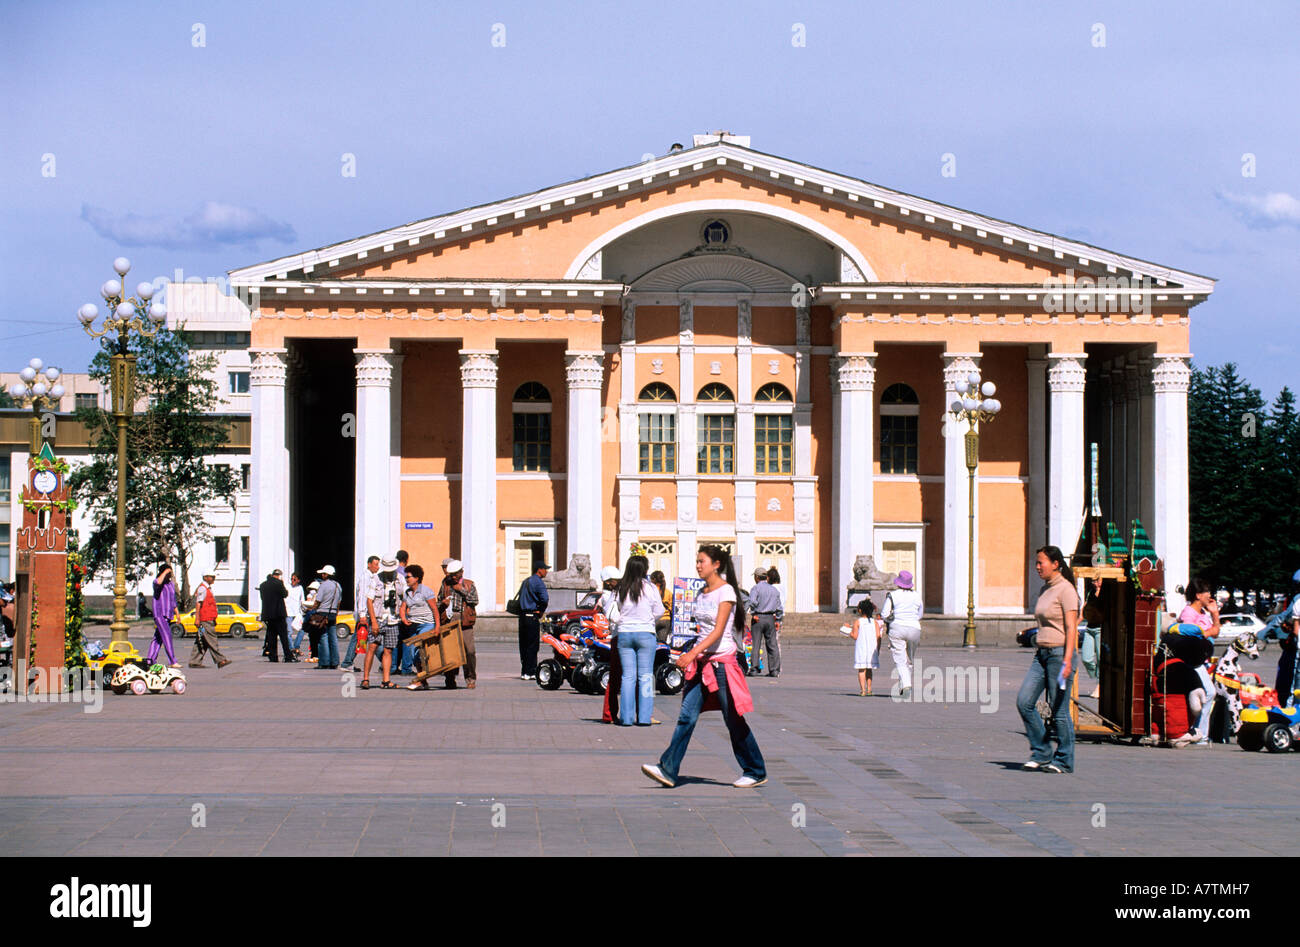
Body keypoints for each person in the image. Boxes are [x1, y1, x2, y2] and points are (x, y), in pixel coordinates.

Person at [642, 545, 766, 789]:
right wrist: (692, 653)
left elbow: (719, 631)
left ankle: (755, 769)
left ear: (716, 564)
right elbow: (703, 631)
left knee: (733, 719)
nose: (698, 565)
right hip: (701, 664)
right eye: (697, 561)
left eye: (702, 561)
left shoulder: (727, 592)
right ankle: (668, 769)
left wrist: (691, 654)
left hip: (721, 664)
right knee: (686, 717)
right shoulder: (701, 592)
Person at [1015, 546, 1079, 773]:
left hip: (1060, 655)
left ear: (1056, 564)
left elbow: (1072, 628)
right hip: (1041, 655)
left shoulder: (1066, 590)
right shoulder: (1045, 589)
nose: (1037, 567)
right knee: (1024, 701)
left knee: (1058, 710)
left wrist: (1068, 660)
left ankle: (1063, 760)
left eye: (1041, 562)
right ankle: (1042, 752)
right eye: (1036, 562)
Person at [612, 555, 665, 725]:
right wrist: (648, 620)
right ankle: (644, 717)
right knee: (646, 676)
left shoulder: (621, 587)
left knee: (628, 677)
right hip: (645, 633)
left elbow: (618, 608)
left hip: (625, 633)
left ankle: (626, 718)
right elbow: (659, 610)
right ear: (645, 569)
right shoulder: (650, 588)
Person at [1175, 578, 1221, 745]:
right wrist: (1209, 632)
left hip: (1202, 659)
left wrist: (1215, 614)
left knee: (1204, 694)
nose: (1209, 595)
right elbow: (1189, 634)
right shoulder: (1188, 613)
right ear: (1198, 595)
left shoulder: (1203, 614)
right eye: (1206, 591)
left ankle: (1199, 731)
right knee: (1209, 693)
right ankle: (1199, 733)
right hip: (1191, 660)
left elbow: (1216, 632)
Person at [437, 559, 479, 689]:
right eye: (451, 574)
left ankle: (470, 678)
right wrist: (443, 603)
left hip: (465, 619)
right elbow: (438, 601)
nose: (453, 577)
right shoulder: (445, 584)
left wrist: (461, 590)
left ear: (461, 572)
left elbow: (475, 600)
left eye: (455, 574)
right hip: (450, 618)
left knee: (469, 650)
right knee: (450, 651)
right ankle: (450, 678)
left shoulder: (469, 584)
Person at [880, 571, 922, 699]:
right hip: (914, 628)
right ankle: (903, 685)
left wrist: (890, 620)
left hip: (897, 627)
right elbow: (920, 614)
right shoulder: (917, 596)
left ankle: (906, 685)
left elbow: (884, 614)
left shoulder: (893, 595)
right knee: (909, 659)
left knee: (900, 658)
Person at [362, 558, 400, 689]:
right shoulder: (376, 579)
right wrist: (373, 621)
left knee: (388, 650)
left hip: (393, 619)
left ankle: (386, 680)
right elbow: (369, 601)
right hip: (378, 618)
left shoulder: (399, 579)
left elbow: (404, 596)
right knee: (372, 647)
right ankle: (366, 679)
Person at [401, 564, 441, 690]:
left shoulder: (426, 591)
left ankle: (420, 680)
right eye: (406, 577)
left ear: (416, 578)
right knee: (413, 653)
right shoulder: (407, 593)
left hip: (426, 625)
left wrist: (437, 627)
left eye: (409, 577)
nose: (407, 579)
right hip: (413, 625)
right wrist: (404, 619)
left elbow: (435, 609)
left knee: (419, 651)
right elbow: (402, 608)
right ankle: (423, 681)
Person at [188, 571, 231, 669]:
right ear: (206, 577)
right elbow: (198, 603)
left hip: (208, 619)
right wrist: (197, 619)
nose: (214, 578)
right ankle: (220, 660)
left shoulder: (207, 588)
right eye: (212, 577)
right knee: (211, 639)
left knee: (202, 639)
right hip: (205, 620)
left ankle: (194, 661)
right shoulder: (203, 588)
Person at [748, 568, 783, 678]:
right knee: (772, 644)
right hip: (770, 618)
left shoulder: (755, 588)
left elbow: (752, 602)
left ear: (757, 577)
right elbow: (779, 607)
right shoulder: (774, 590)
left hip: (758, 617)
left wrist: (753, 613)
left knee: (756, 644)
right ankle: (774, 670)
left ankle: (754, 668)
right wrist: (778, 619)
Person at [517, 560, 549, 680]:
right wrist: (541, 610)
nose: (546, 571)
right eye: (545, 569)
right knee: (532, 645)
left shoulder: (526, 581)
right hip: (532, 616)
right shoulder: (538, 582)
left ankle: (524, 671)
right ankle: (531, 671)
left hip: (522, 617)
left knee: (523, 645)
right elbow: (545, 599)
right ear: (539, 570)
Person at [147, 563, 179, 667]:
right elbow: (158, 581)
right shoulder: (157, 582)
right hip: (159, 613)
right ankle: (172, 661)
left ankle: (150, 659)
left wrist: (177, 614)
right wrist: (165, 571)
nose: (170, 575)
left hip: (168, 614)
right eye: (169, 573)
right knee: (167, 636)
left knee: (158, 638)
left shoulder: (171, 584)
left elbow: (173, 601)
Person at [259, 570, 294, 663]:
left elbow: (263, 598)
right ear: (278, 576)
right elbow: (285, 594)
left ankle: (273, 656)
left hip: (268, 615)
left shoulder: (263, 585)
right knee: (283, 636)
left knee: (271, 636)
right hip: (279, 614)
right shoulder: (278, 583)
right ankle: (288, 656)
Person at [312, 565, 342, 669]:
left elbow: (318, 601)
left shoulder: (323, 585)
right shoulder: (338, 586)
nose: (322, 575)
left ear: (326, 575)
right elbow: (338, 602)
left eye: (323, 573)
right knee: (333, 638)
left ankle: (324, 662)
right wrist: (335, 613)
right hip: (333, 613)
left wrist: (312, 610)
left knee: (323, 637)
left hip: (322, 613)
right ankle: (334, 662)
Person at [850, 598, 882, 696]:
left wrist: (848, 631)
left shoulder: (858, 622)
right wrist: (878, 649)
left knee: (861, 669)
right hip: (872, 649)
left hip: (861, 648)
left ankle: (862, 690)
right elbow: (878, 636)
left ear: (860, 610)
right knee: (869, 669)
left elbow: (855, 636)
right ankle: (869, 689)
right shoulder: (875, 622)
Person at [286, 573, 306, 657]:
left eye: (294, 579)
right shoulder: (287, 586)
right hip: (288, 612)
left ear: (298, 580)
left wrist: (304, 610)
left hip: (297, 613)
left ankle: (296, 646)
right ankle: (291, 648)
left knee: (302, 630)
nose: (292, 581)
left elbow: (302, 600)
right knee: (289, 631)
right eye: (291, 579)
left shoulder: (300, 588)